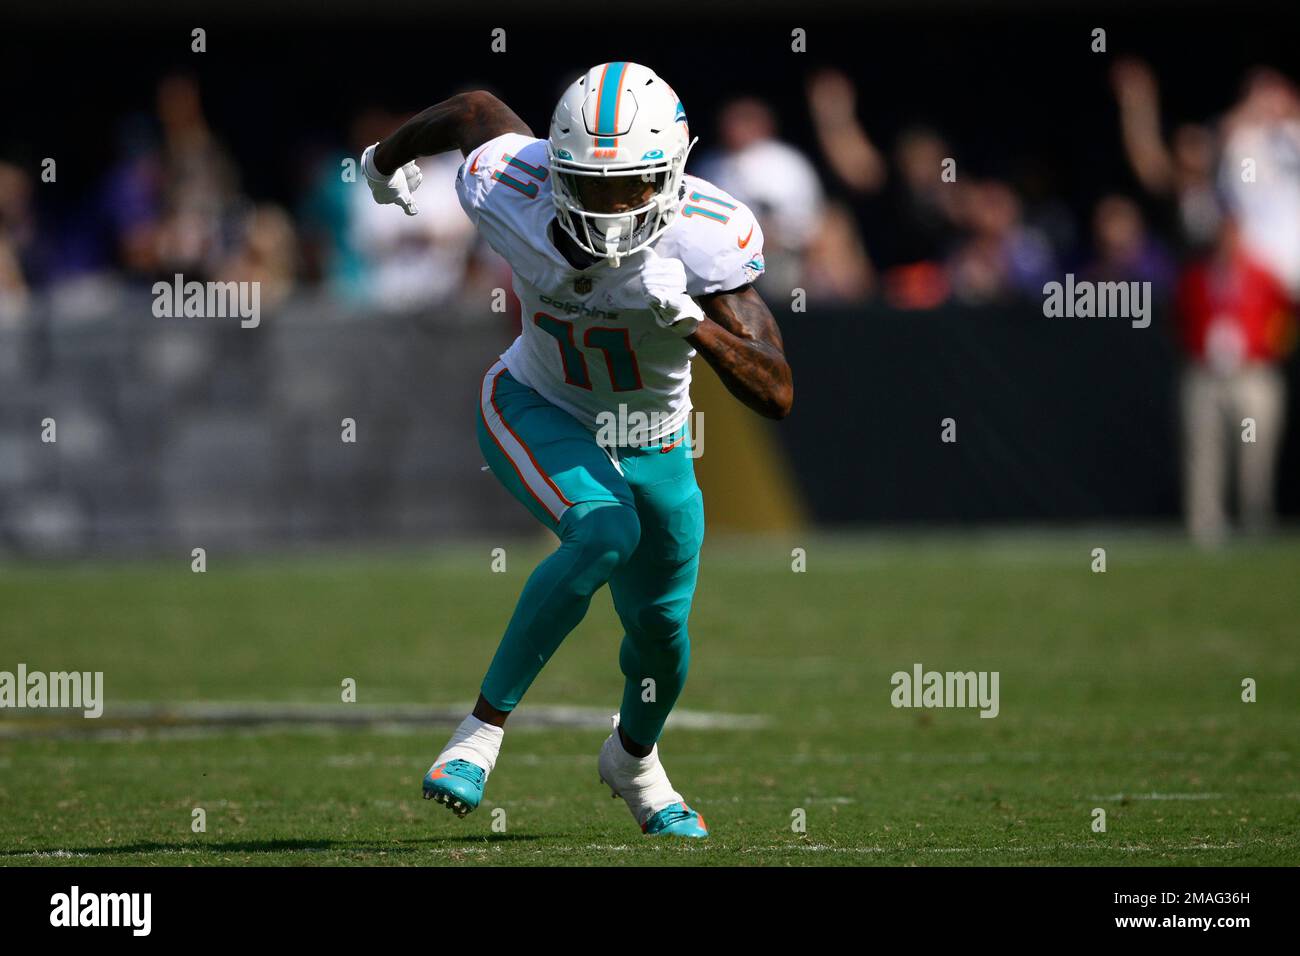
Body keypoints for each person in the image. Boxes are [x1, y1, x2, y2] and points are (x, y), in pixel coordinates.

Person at [359, 63, 792, 837]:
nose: (612, 205)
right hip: (536, 402)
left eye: (631, 186)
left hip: (653, 436)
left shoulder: (703, 237)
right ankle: (480, 732)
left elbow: (778, 392)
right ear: (557, 169)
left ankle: (635, 760)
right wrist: (383, 160)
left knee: (661, 631)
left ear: (670, 174)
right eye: (591, 185)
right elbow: (473, 109)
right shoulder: (510, 188)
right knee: (605, 530)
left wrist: (693, 323)